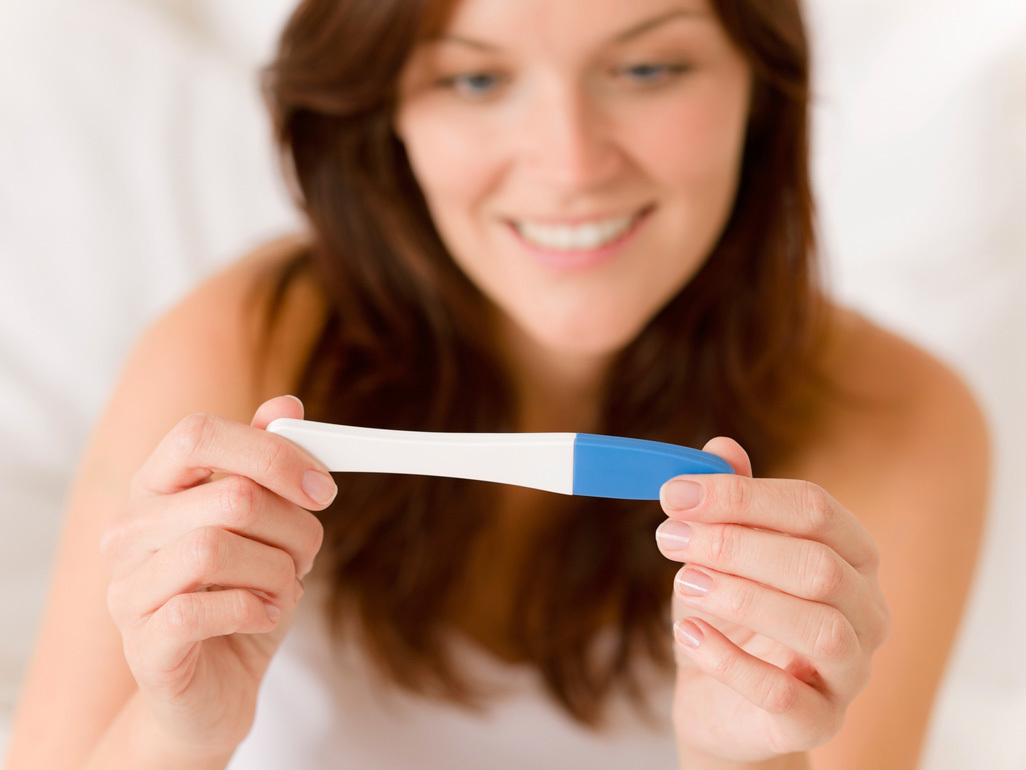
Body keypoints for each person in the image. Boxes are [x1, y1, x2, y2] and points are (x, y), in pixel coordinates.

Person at [5, 0, 989, 768]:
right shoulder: (242, 344)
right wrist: (179, 733)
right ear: (388, 109)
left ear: (758, 90)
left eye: (649, 67)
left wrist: (749, 754)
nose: (568, 164)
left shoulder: (901, 421)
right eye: (475, 78)